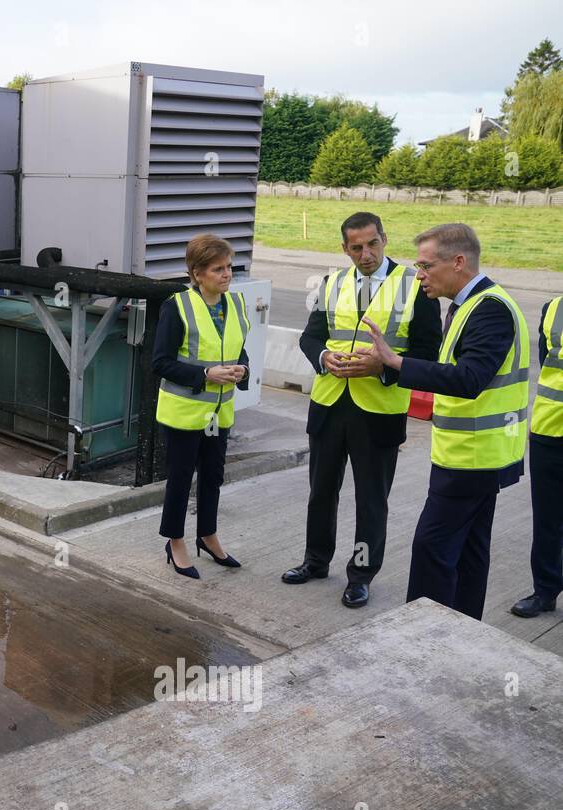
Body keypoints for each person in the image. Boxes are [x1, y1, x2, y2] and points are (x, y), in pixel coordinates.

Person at [356, 223, 530, 620]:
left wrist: (396, 363)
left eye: (425, 266)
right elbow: (448, 370)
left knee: (432, 552)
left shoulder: (490, 310)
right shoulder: (470, 304)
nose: (419, 275)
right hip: (475, 456)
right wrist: (390, 369)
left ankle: (422, 639)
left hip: (472, 460)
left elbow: (469, 379)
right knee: (469, 553)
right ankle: (464, 632)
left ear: (458, 261)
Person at [282, 212, 441, 608]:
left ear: (384, 239)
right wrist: (322, 357)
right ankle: (316, 561)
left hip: (379, 411)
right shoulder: (331, 283)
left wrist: (384, 367)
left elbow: (427, 353)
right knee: (321, 492)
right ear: (345, 248)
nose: (365, 253)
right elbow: (310, 337)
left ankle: (361, 575)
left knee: (371, 499)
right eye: (356, 247)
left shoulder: (414, 286)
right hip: (329, 404)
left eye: (372, 244)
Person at [152, 233, 251, 579]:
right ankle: (175, 542)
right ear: (197, 274)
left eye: (228, 267)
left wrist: (243, 370)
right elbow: (160, 362)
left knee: (213, 477)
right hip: (184, 412)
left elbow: (238, 350)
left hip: (219, 411)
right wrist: (206, 373)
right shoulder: (177, 307)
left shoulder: (235, 304)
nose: (226, 275)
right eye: (217, 269)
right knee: (180, 479)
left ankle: (208, 536)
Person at [510, 293, 563, 618]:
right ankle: (544, 590)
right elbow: (548, 365)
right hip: (548, 431)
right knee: (547, 520)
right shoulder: (553, 308)